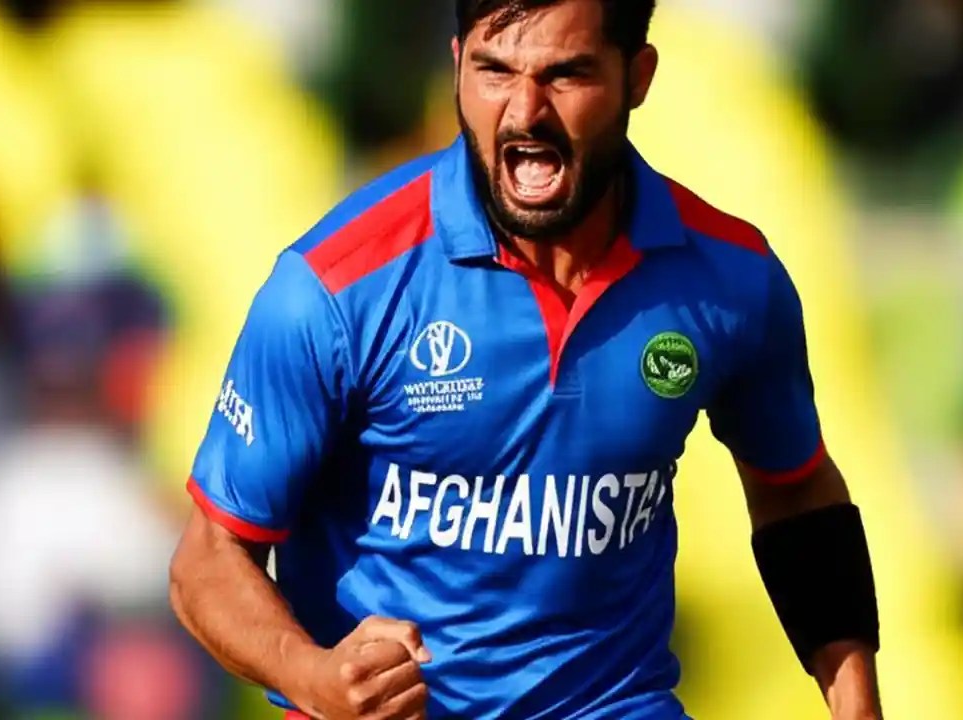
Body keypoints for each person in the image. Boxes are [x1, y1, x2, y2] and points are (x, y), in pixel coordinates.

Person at [168, 1, 881, 718]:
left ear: (638, 76)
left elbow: (795, 492)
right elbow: (208, 559)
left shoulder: (730, 278)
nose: (525, 112)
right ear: (455, 68)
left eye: (565, 75)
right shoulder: (335, 287)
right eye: (495, 72)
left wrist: (856, 705)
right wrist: (315, 676)